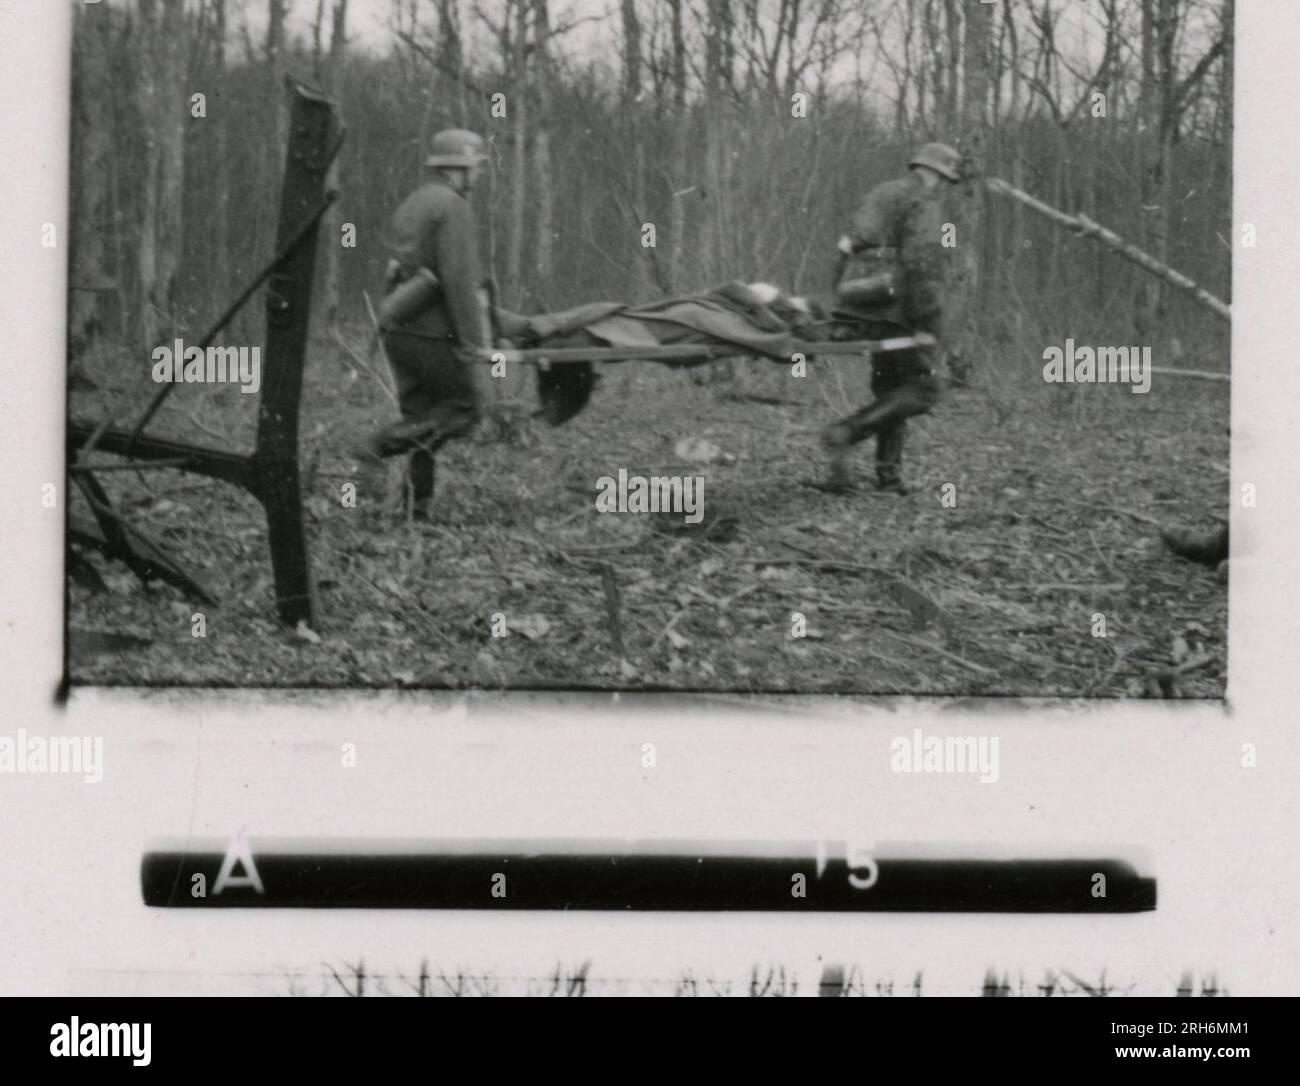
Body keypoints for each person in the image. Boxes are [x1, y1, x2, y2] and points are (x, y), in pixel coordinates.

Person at [354, 129, 490, 520]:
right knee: (465, 410)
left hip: (399, 328)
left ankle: (418, 511)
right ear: (459, 167)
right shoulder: (454, 206)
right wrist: (473, 344)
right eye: (476, 167)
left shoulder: (413, 203)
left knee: (421, 418)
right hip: (431, 332)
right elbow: (460, 281)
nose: (479, 175)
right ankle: (377, 445)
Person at [821, 142, 964, 494]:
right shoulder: (925, 203)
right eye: (946, 179)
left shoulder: (880, 193)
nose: (945, 187)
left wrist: (840, 298)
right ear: (934, 173)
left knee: (889, 387)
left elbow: (846, 247)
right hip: (899, 309)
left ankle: (889, 477)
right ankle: (846, 433)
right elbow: (923, 264)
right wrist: (929, 323)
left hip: (860, 303)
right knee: (925, 388)